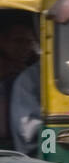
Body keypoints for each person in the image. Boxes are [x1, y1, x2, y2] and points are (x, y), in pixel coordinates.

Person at [0, 16, 39, 153]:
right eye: (18, 41)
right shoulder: (26, 79)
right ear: (2, 41)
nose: (24, 47)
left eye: (29, 42)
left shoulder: (37, 71)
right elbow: (28, 130)